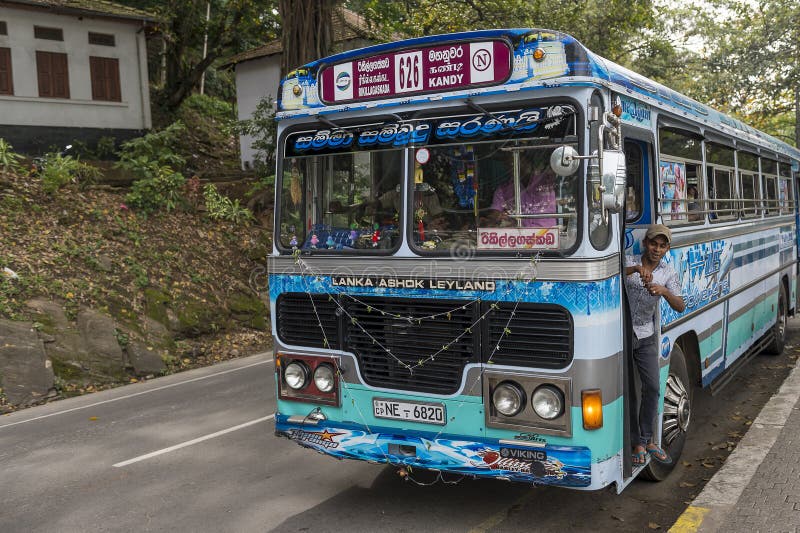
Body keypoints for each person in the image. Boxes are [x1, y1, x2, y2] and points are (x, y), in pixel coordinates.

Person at [624, 224, 686, 467]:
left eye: (662, 246)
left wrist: (663, 291)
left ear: (667, 248)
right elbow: (611, 273)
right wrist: (636, 269)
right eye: (653, 244)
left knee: (652, 387)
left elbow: (680, 305)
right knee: (626, 388)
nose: (656, 249)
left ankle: (647, 439)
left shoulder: (668, 273)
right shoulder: (629, 261)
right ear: (645, 244)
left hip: (647, 335)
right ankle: (635, 443)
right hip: (623, 334)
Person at [484, 163, 557, 227]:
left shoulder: (545, 180)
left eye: (520, 160)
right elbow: (496, 212)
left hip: (547, 235)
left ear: (529, 162)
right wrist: (499, 216)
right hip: (519, 237)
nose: (514, 165)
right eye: (511, 163)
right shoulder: (503, 190)